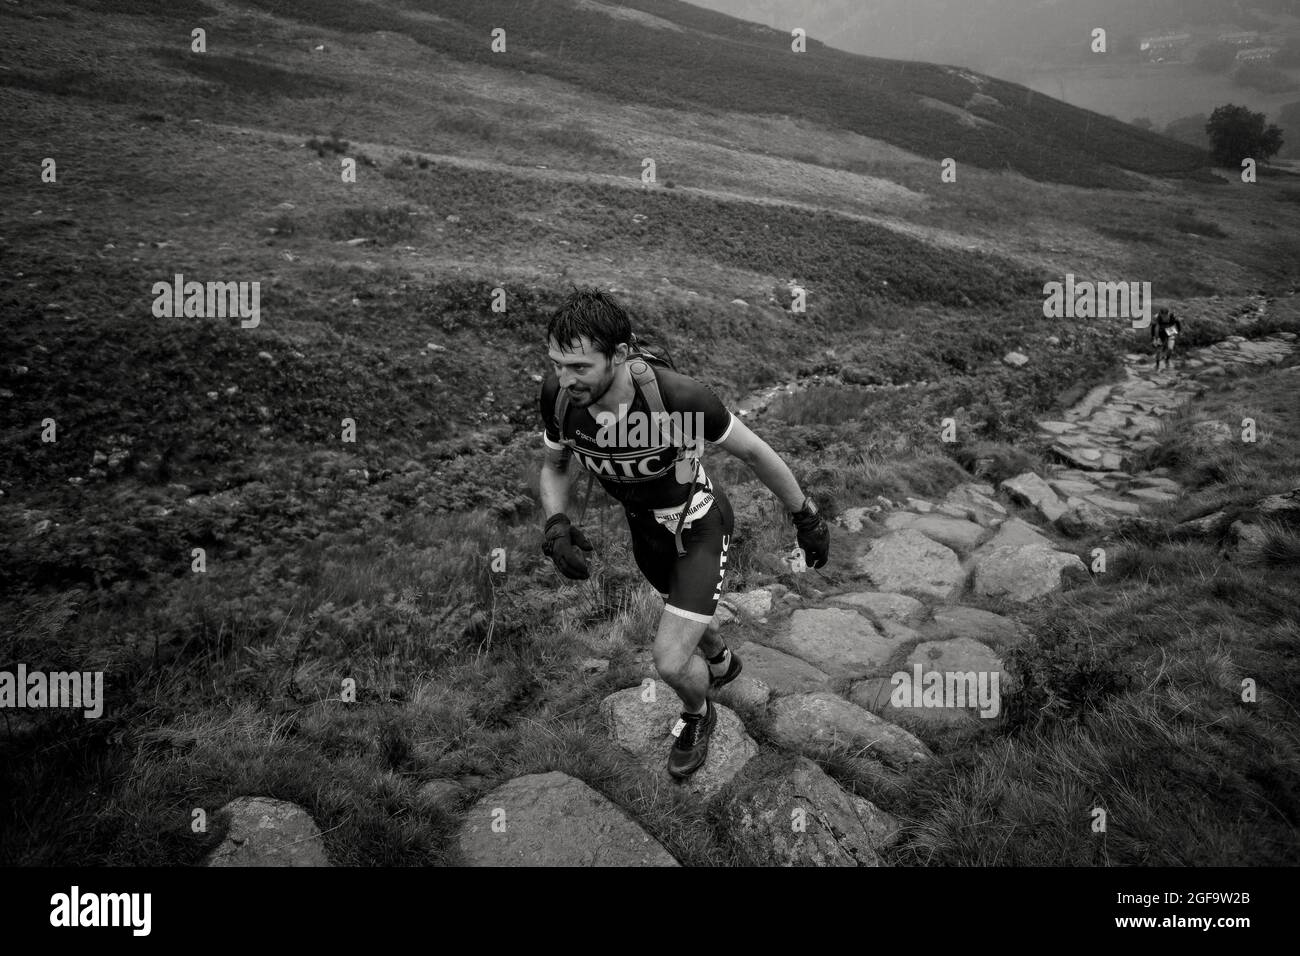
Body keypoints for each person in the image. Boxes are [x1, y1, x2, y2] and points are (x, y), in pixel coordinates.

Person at [537, 289, 830, 779]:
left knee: (671, 660)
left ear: (621, 354)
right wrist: (555, 524)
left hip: (696, 525)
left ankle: (698, 713)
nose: (565, 380)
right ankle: (720, 657)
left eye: (580, 367)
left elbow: (755, 453)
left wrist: (806, 517)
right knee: (682, 608)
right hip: (644, 532)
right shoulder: (559, 398)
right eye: (556, 364)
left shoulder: (678, 398)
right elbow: (554, 465)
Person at [1151, 307, 1182, 372]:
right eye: (1163, 315)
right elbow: (1153, 328)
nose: (1164, 317)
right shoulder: (1156, 317)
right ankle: (1157, 364)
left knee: (1170, 348)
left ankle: (1167, 359)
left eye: (1166, 315)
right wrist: (1153, 337)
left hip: (1170, 330)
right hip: (1160, 332)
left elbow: (1178, 324)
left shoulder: (1173, 316)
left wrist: (1179, 332)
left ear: (1168, 314)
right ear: (1160, 314)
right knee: (1158, 351)